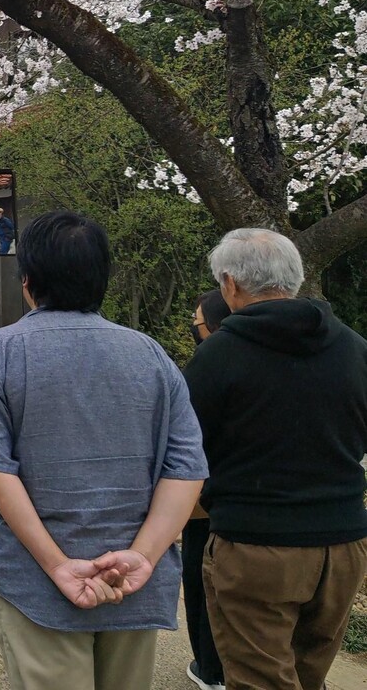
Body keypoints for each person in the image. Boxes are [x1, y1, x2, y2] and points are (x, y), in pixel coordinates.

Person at [0, 211, 206, 690]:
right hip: (131, 583)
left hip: (38, 582)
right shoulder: (150, 354)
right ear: (102, 280)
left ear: (28, 282)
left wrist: (57, 564)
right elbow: (187, 469)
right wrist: (143, 557)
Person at [185, 228, 367, 690]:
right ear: (297, 278)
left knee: (260, 680)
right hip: (342, 546)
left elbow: (186, 455)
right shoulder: (355, 349)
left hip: (255, 546)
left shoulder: (218, 355)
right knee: (308, 679)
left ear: (229, 285)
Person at [181, 288, 231, 690]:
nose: (194, 330)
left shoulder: (209, 364)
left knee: (204, 584)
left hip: (206, 499)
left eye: (197, 324)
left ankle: (210, 670)